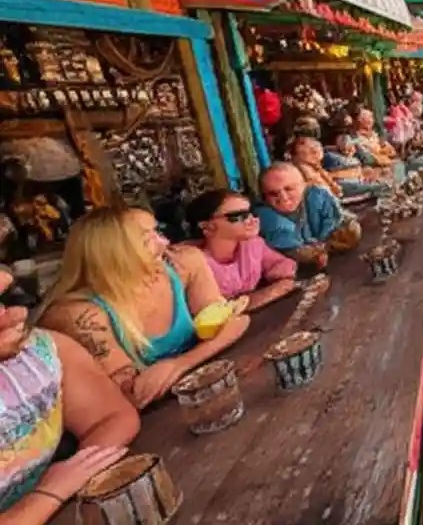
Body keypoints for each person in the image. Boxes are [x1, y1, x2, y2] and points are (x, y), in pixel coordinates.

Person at [40, 207, 251, 408]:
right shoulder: (81, 314)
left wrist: (179, 365)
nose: (165, 243)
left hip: (208, 389)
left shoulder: (183, 263)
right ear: (113, 254)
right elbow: (134, 396)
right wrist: (208, 348)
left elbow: (234, 322)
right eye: (146, 240)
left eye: (157, 232)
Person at [0, 268, 139, 520]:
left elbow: (112, 417)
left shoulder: (42, 351)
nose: (12, 315)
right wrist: (50, 492)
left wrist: (75, 474)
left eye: (5, 299)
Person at [186, 190, 298, 311]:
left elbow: (284, 271)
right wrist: (262, 297)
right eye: (239, 216)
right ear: (207, 227)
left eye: (251, 213)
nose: (252, 220)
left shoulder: (252, 245)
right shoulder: (192, 262)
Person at [254, 163, 362, 267]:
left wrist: (324, 241)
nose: (283, 197)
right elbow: (286, 244)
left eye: (289, 189)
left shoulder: (316, 194)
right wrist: (313, 253)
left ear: (304, 186)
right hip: (293, 249)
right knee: (294, 258)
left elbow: (334, 218)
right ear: (264, 198)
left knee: (352, 230)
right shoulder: (266, 215)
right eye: (273, 194)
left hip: (325, 239)